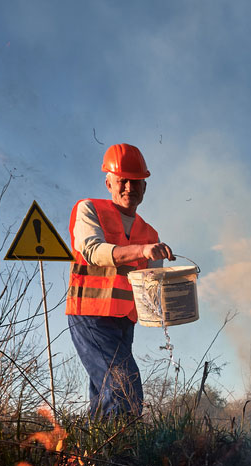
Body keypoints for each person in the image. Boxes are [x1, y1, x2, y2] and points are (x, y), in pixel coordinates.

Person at [67, 143, 175, 418]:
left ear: (144, 187)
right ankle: (124, 445)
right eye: (122, 181)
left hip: (124, 322)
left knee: (107, 393)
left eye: (135, 181)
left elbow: (152, 288)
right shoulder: (89, 209)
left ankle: (98, 444)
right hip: (90, 316)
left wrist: (173, 294)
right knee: (123, 389)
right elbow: (93, 252)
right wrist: (141, 251)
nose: (129, 187)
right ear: (108, 183)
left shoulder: (150, 233)